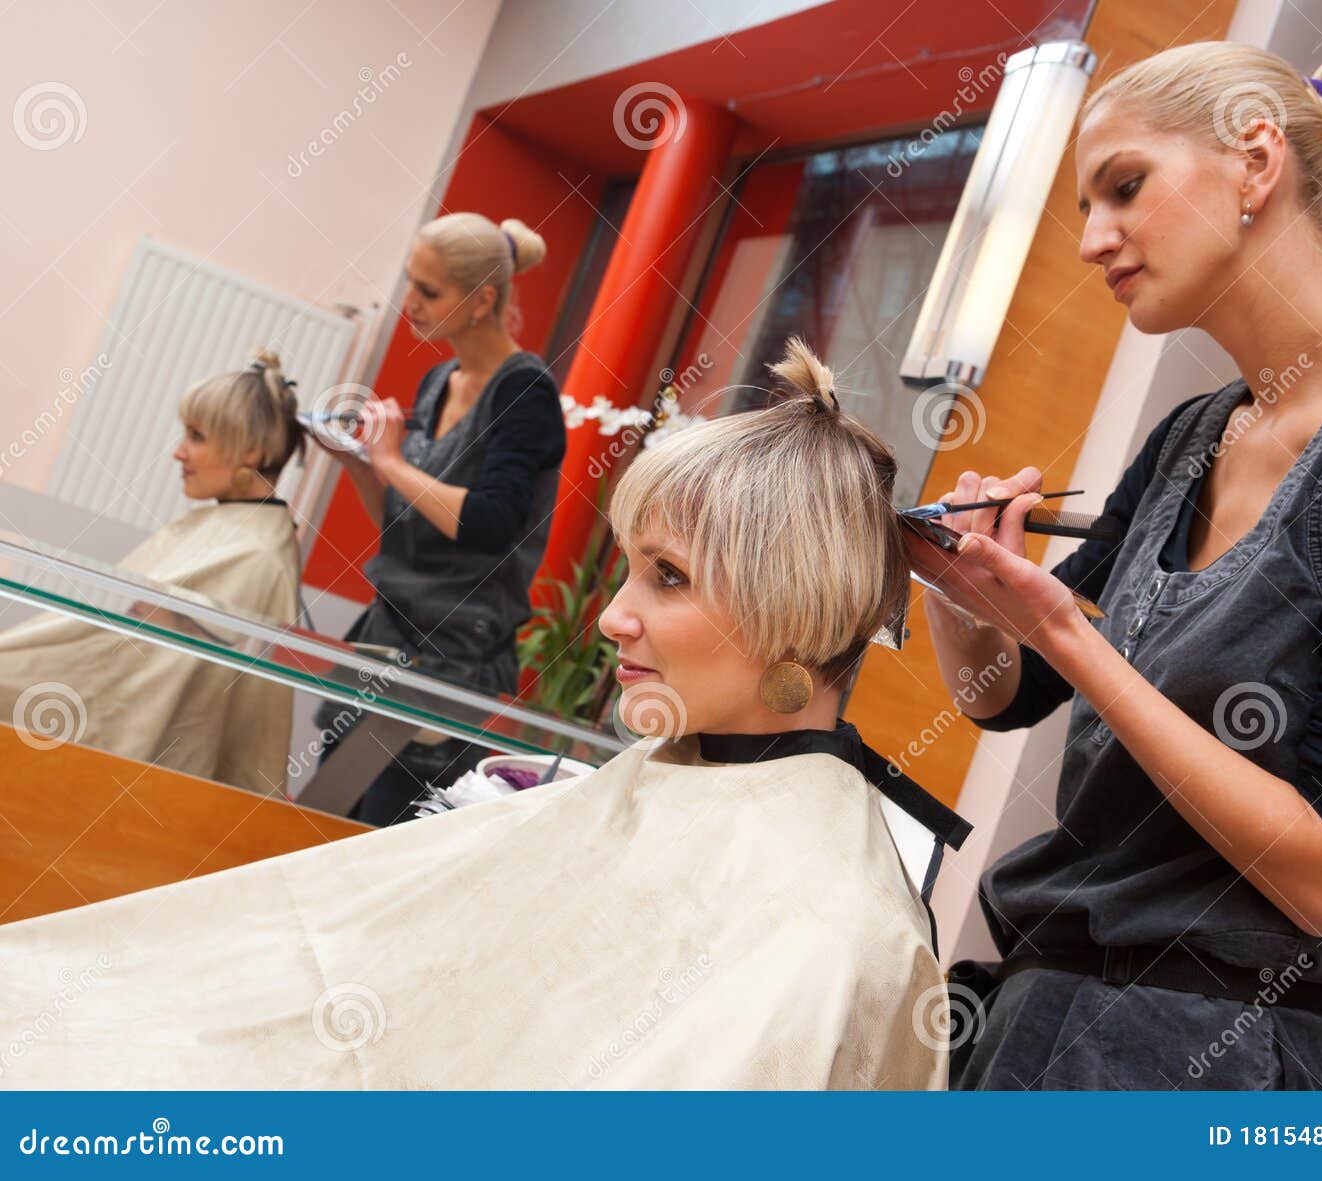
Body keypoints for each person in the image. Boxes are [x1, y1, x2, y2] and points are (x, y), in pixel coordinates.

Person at [0, 338, 970, 1089]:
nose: (609, 614)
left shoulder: (825, 933)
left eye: (667, 576)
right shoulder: (681, 780)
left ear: (792, 609)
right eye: (631, 566)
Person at [909, 43, 1322, 1090]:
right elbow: (1006, 698)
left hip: (1209, 1061)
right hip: (1034, 1020)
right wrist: (959, 584)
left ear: (1255, 163)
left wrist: (1063, 627)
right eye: (1085, 208)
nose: (1094, 239)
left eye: (1124, 187)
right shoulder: (1193, 434)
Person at [312, 211, 566, 826]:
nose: (410, 305)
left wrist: (393, 462)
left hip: (452, 653)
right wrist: (358, 465)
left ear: (482, 301)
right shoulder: (438, 380)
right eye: (410, 284)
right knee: (323, 809)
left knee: (376, 828)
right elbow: (407, 527)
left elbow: (488, 525)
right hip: (386, 632)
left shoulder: (525, 392)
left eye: (428, 292)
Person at [0, 350, 304, 795]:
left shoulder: (254, 557)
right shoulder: (235, 529)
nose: (179, 452)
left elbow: (137, 682)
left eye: (197, 437)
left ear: (252, 451)